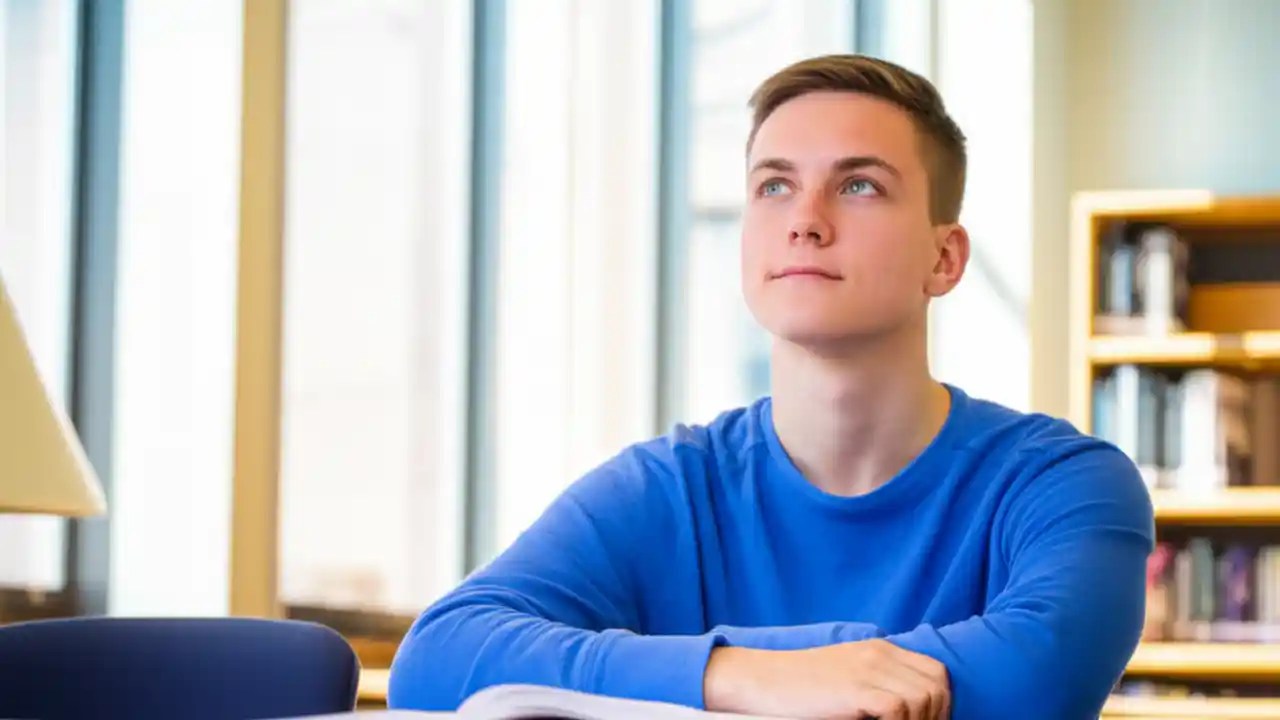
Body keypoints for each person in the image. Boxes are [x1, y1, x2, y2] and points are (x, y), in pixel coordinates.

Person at [387, 54, 1154, 720]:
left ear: (944, 259)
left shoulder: (1063, 483)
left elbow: (1031, 685)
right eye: (774, 186)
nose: (805, 221)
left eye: (858, 186)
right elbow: (437, 661)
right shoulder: (669, 487)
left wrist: (666, 682)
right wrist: (759, 675)